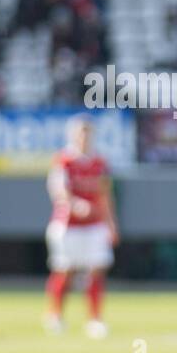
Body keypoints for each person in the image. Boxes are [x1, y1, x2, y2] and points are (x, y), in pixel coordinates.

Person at [45, 116, 117, 339]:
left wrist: (112, 224)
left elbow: (105, 195)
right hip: (68, 225)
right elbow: (58, 190)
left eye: (88, 132)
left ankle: (94, 320)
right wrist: (75, 204)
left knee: (96, 269)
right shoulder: (63, 161)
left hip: (94, 225)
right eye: (80, 132)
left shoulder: (100, 163)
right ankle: (55, 315)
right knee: (65, 271)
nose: (84, 137)